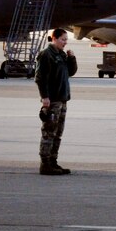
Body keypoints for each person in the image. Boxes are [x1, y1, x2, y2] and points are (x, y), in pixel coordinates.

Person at [35, 28, 77, 174]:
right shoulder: (46, 55)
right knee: (49, 132)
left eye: (66, 40)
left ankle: (53, 161)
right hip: (52, 100)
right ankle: (45, 163)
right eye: (63, 39)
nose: (65, 42)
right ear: (54, 39)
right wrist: (45, 97)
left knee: (58, 132)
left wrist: (71, 58)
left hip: (62, 99)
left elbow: (70, 72)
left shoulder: (61, 55)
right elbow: (40, 78)